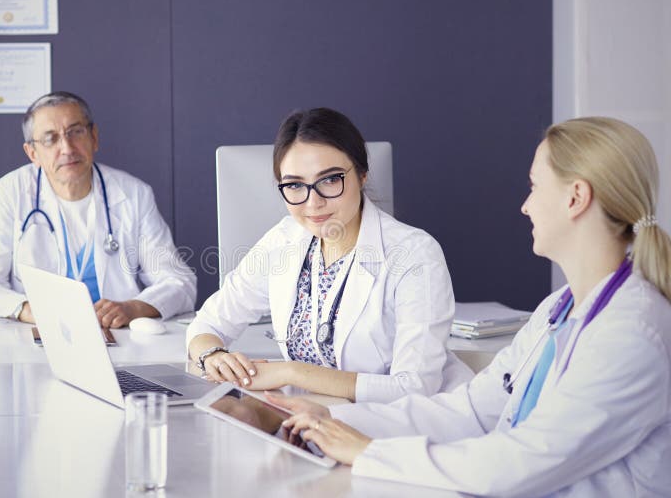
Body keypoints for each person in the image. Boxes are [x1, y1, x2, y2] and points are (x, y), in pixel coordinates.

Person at [270, 117, 671, 496]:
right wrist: (330, 421)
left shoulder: (630, 335)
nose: (525, 206)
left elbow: (521, 462)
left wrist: (368, 453)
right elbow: (473, 411)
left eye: (534, 187)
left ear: (576, 198)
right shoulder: (559, 308)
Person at [187, 107, 471, 403]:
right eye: (295, 185)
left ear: (362, 175)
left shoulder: (414, 254)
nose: (314, 202)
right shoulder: (284, 240)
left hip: (403, 428)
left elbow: (413, 387)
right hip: (316, 419)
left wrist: (292, 373)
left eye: (330, 180)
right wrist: (213, 355)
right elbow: (207, 324)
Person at [0, 91, 196, 327]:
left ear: (94, 137)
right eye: (50, 139)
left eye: (76, 132)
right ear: (33, 153)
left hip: (117, 338)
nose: (67, 148)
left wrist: (132, 308)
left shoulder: (133, 194)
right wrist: (30, 310)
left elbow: (179, 282)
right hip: (38, 335)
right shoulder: (12, 191)